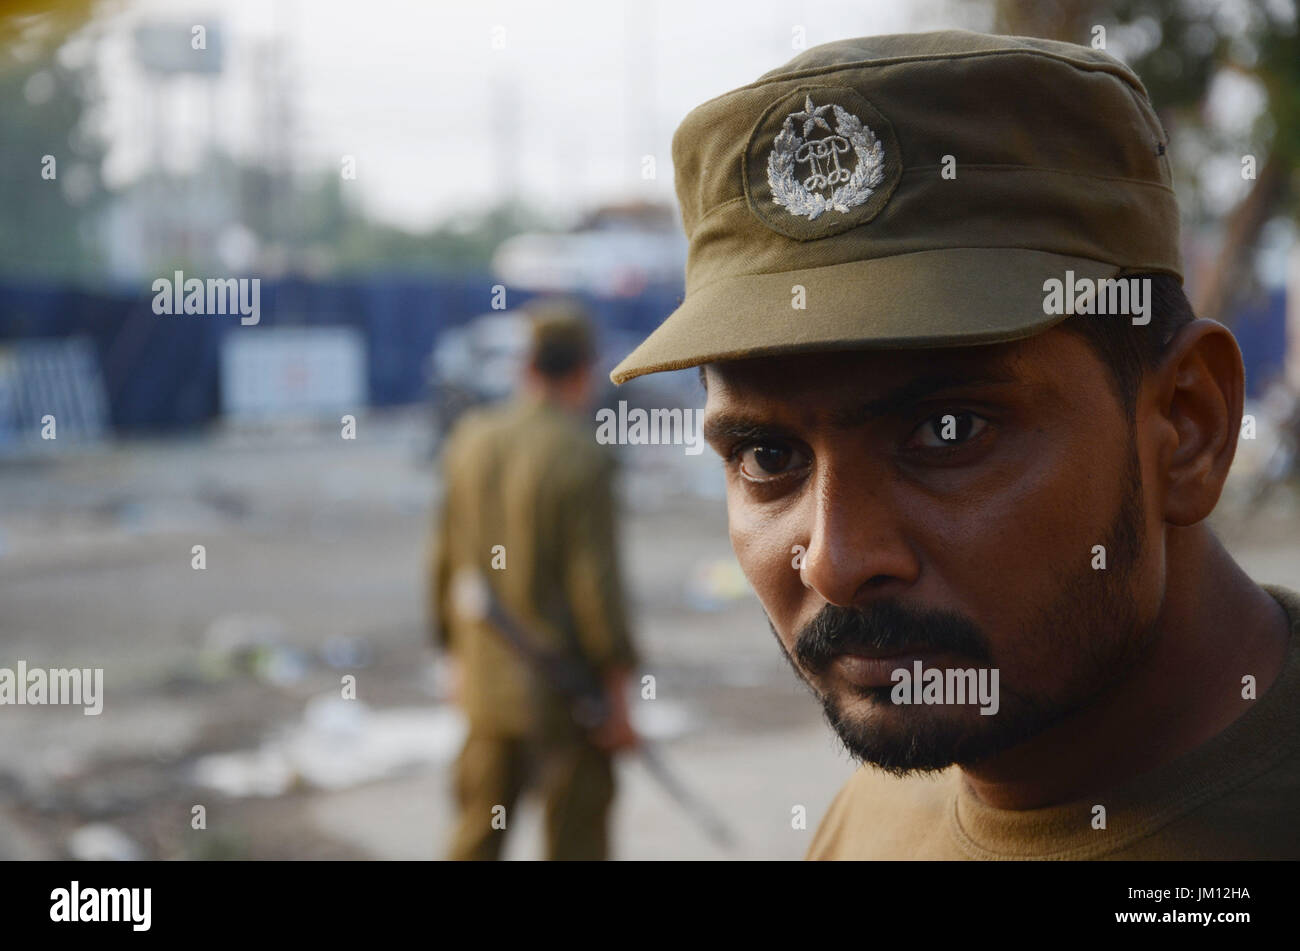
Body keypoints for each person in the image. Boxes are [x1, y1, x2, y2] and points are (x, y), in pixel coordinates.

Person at [609, 30, 1300, 859]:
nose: (835, 562)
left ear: (1190, 427)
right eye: (768, 456)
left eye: (947, 431)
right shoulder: (880, 817)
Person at [430, 299, 639, 861]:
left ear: (524, 367)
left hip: (485, 683)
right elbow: (597, 591)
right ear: (585, 369)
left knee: (474, 837)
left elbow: (445, 566)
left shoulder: (470, 440)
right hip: (564, 695)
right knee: (576, 843)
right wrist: (618, 699)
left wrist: (455, 661)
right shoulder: (581, 458)